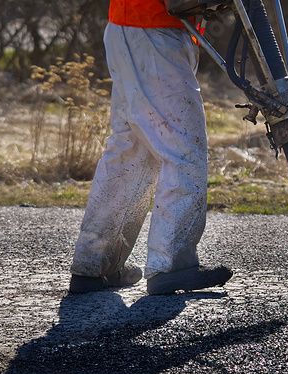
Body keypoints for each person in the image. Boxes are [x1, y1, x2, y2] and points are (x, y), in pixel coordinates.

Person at [68, 0, 233, 295]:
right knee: (183, 149)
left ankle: (95, 263)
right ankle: (172, 266)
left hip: (128, 26)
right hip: (155, 31)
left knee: (132, 150)